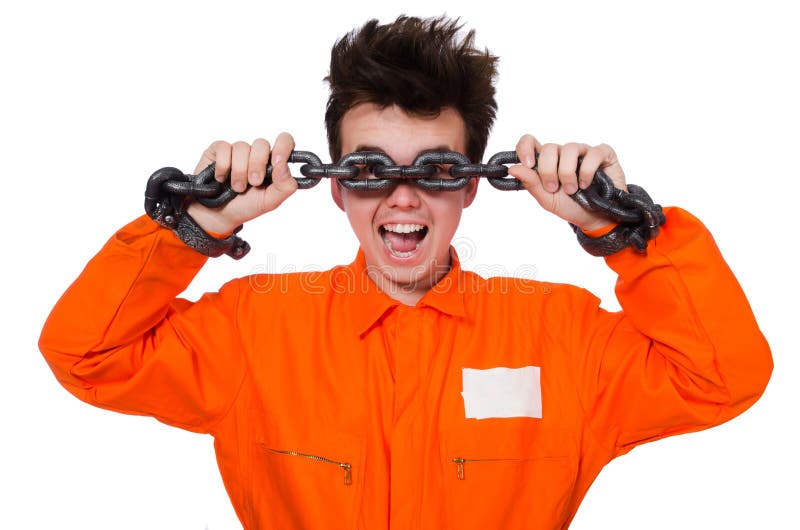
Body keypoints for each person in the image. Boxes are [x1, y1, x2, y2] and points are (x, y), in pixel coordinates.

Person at [38, 15, 772, 530]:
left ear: (474, 183)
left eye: (437, 169)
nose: (402, 197)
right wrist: (195, 226)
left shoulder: (562, 337)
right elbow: (84, 355)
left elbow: (723, 377)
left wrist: (623, 229)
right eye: (368, 170)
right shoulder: (253, 332)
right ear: (334, 183)